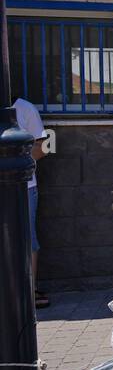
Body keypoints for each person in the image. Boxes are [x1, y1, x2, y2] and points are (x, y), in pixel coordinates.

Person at [13, 97, 49, 308]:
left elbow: (43, 146)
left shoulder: (25, 108)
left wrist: (15, 165)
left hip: (24, 186)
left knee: (28, 238)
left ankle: (30, 290)